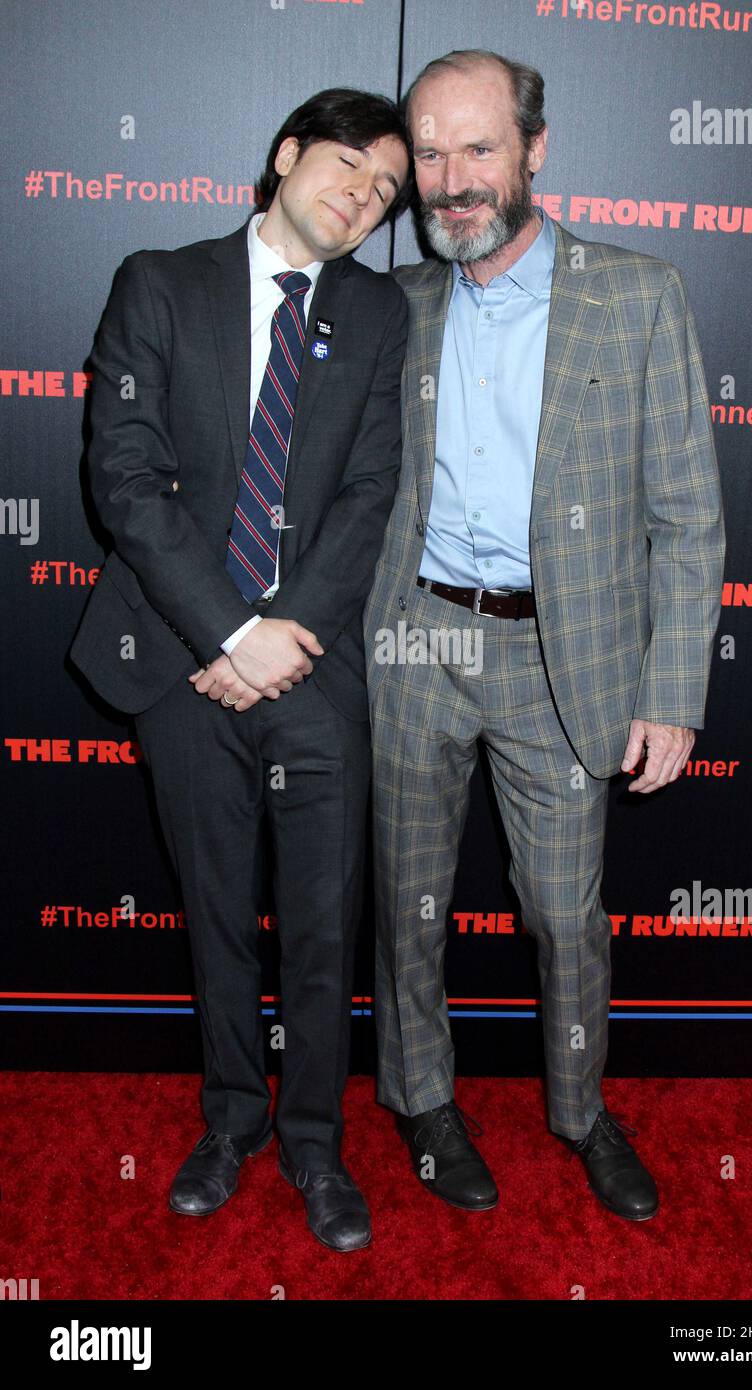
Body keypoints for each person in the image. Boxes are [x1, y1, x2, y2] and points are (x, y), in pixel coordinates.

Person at [364, 50, 724, 1221]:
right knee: (408, 900)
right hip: (419, 642)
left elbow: (687, 513)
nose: (452, 179)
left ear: (535, 150)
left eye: (478, 147)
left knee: (566, 917)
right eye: (429, 153)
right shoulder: (400, 304)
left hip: (559, 660)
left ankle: (579, 1110)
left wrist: (670, 692)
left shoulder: (639, 293)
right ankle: (421, 1099)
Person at [69, 88, 412, 1252]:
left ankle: (314, 1140)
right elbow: (127, 478)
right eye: (351, 165)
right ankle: (233, 1122)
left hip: (316, 668)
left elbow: (370, 497)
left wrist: (282, 637)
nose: (364, 197)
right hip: (181, 662)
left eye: (385, 192)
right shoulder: (158, 282)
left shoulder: (376, 315)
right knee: (216, 913)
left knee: (323, 924)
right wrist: (227, 634)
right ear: (283, 157)